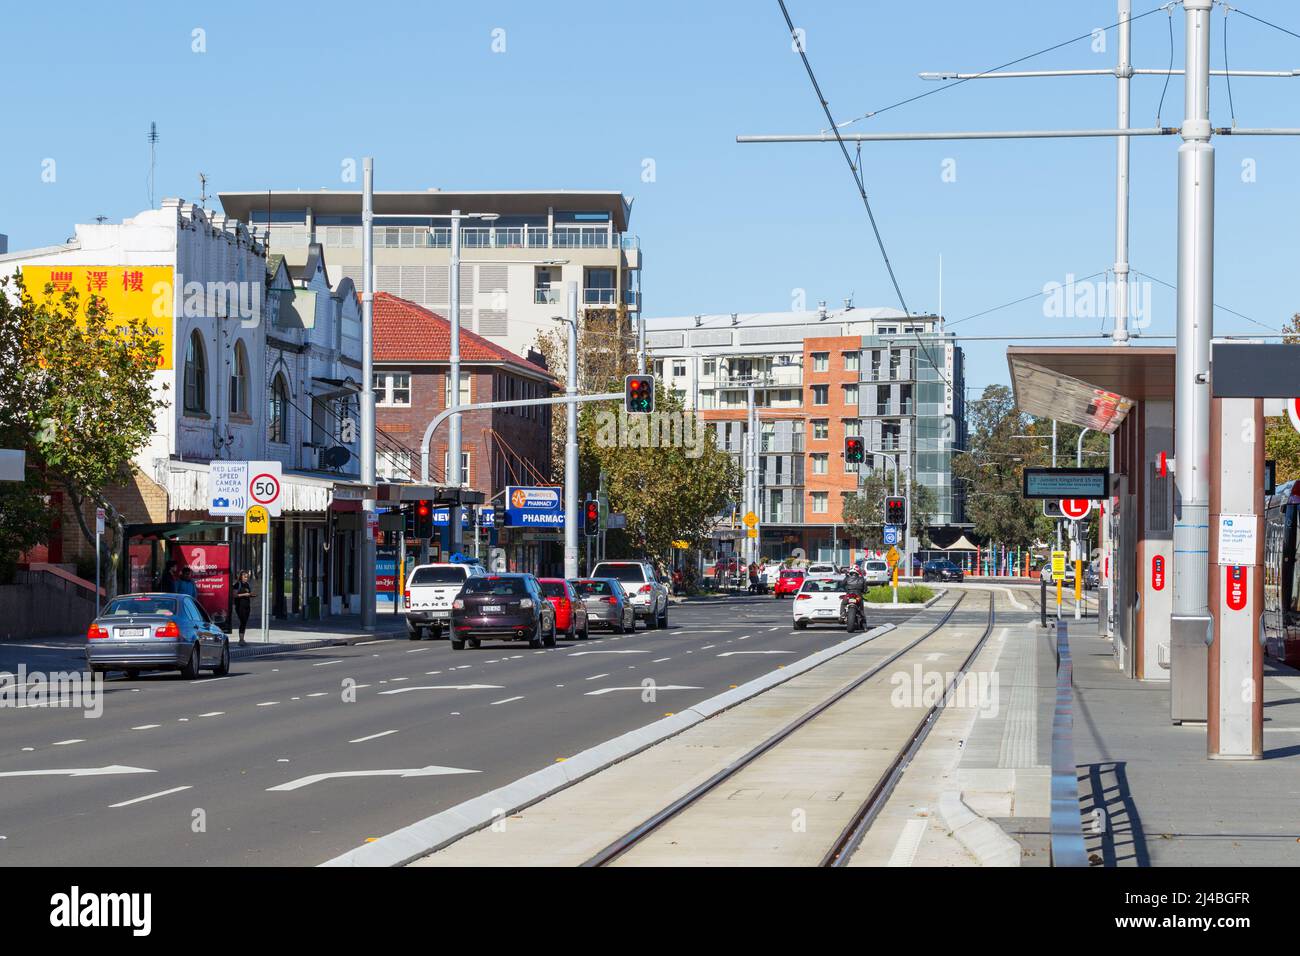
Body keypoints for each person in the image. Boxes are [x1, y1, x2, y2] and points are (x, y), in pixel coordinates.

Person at [234, 570, 253, 645]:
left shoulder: (247, 584)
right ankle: (241, 640)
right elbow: (234, 595)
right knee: (243, 621)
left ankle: (242, 639)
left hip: (247, 606)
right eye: (245, 577)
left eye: (247, 577)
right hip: (240, 606)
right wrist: (245, 594)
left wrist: (251, 595)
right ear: (241, 577)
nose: (246, 578)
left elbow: (248, 593)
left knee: (244, 622)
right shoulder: (237, 584)